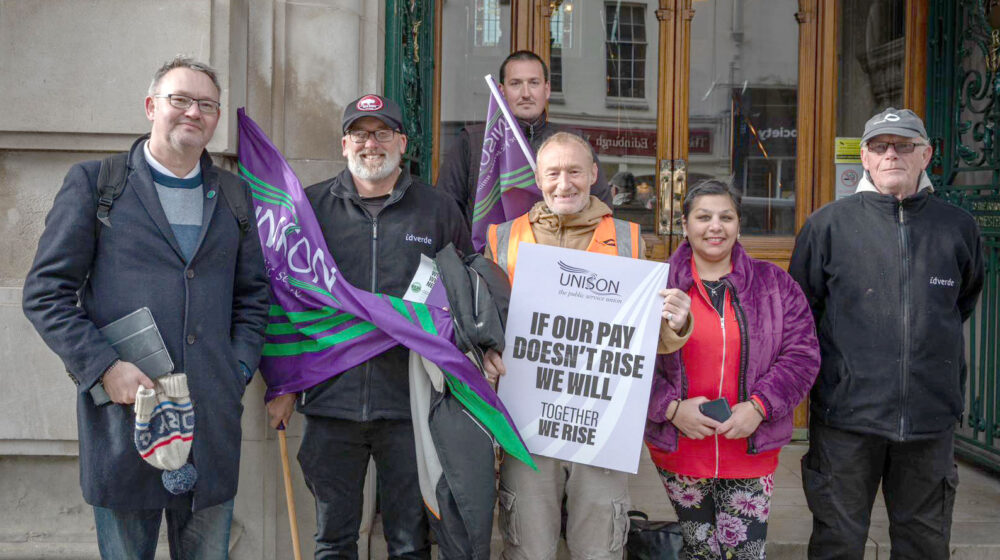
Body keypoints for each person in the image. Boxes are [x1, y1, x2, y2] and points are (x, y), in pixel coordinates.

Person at [21, 57, 270, 558]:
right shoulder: (98, 183)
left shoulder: (234, 193)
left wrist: (237, 368)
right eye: (180, 99)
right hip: (125, 421)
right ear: (151, 106)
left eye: (206, 104)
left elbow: (252, 296)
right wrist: (103, 367)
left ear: (217, 118)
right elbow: (45, 293)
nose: (193, 112)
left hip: (209, 424)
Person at [264, 94, 480, 559]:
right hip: (330, 403)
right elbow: (285, 300)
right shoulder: (309, 208)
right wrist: (282, 385)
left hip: (410, 405)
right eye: (359, 134)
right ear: (344, 144)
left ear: (402, 142)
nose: (370, 144)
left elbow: (465, 293)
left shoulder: (438, 210)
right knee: (333, 540)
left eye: (382, 133)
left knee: (408, 542)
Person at [485, 131, 693, 559]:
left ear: (594, 174)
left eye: (575, 171)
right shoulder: (503, 238)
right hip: (527, 425)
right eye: (553, 173)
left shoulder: (629, 238)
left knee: (599, 549)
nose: (564, 183)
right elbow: (487, 322)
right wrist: (486, 354)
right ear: (538, 179)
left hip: (601, 426)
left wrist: (677, 321)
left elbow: (643, 336)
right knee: (528, 550)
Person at [789, 108, 985, 560]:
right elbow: (803, 313)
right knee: (837, 544)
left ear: (926, 155)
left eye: (903, 145)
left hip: (929, 418)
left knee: (924, 545)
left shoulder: (957, 227)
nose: (891, 154)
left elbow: (961, 301)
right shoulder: (827, 225)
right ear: (865, 157)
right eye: (879, 146)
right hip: (846, 417)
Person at [645, 179, 820, 559]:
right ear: (685, 224)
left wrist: (759, 407)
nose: (715, 226)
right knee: (700, 551)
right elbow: (630, 364)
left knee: (745, 553)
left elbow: (802, 356)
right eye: (703, 217)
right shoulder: (655, 286)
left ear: (739, 224)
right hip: (681, 446)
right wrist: (671, 409)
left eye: (726, 217)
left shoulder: (775, 284)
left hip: (750, 446)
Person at [436, 50, 612, 224]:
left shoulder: (574, 142)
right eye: (515, 84)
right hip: (486, 243)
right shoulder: (473, 142)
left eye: (534, 83)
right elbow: (446, 211)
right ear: (501, 91)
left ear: (547, 89)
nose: (526, 93)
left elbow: (601, 208)